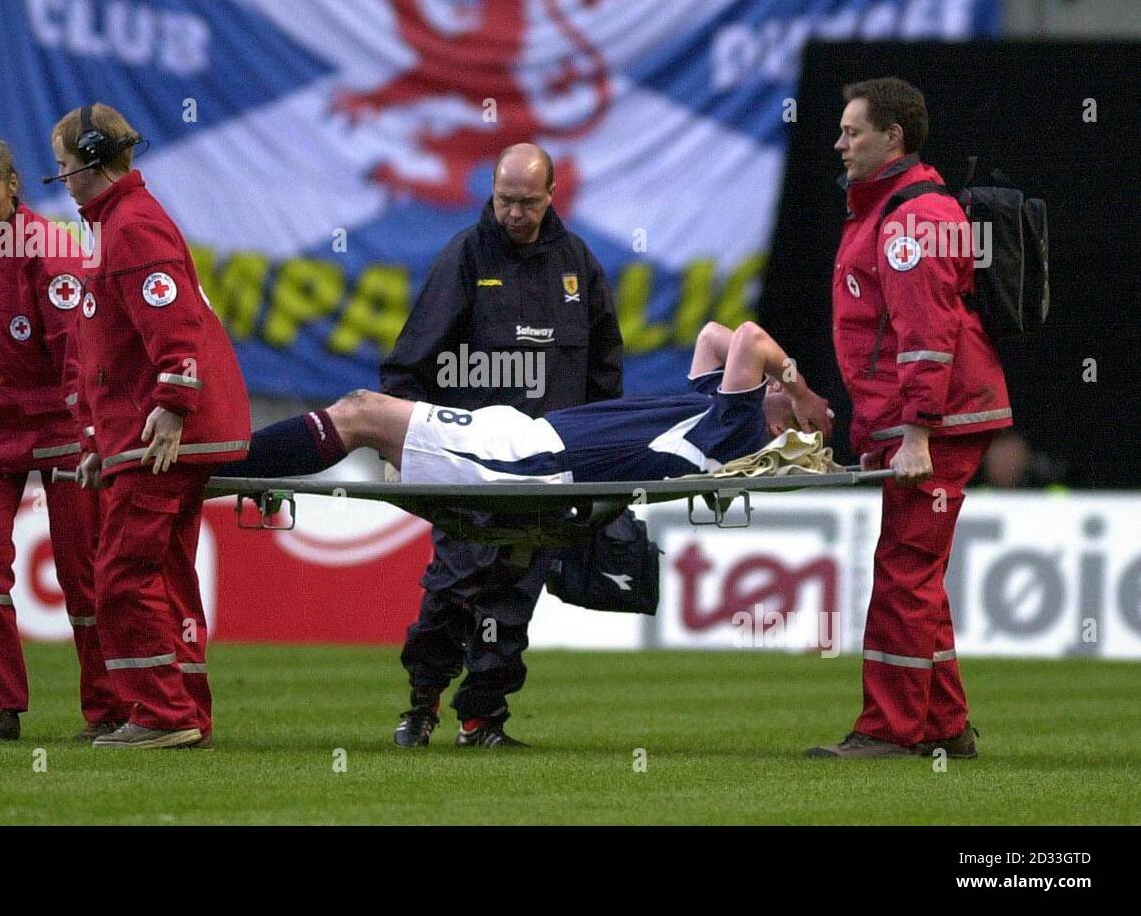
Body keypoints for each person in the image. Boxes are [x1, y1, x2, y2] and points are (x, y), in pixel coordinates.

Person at [376, 142, 624, 748]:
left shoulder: (578, 264)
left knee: (511, 602)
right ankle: (421, 706)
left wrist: (599, 452)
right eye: (504, 200)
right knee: (451, 590)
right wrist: (403, 450)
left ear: (550, 195)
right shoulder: (465, 255)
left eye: (526, 202)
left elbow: (605, 370)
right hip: (471, 466)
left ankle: (483, 719)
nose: (514, 212)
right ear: (491, 192)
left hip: (546, 473)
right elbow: (408, 363)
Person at [807, 78, 1012, 760]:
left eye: (852, 130)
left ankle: (889, 731)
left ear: (892, 136)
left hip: (938, 422)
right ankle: (945, 724)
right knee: (916, 571)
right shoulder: (891, 208)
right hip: (927, 417)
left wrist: (917, 431)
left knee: (903, 572)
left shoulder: (910, 216)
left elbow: (927, 333)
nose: (839, 143)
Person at [51, 104, 251, 750]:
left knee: (121, 573)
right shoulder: (120, 225)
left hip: (159, 434)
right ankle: (186, 709)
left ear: (87, 162)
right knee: (164, 573)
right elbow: (109, 347)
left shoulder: (131, 227)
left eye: (62, 167)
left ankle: (160, 716)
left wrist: (173, 400)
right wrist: (92, 441)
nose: (61, 178)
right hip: (142, 430)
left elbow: (172, 324)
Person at [0, 136, 125, 741]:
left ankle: (107, 707)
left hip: (59, 428)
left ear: (13, 186)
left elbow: (74, 346)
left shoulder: (49, 250)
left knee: (81, 573)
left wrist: (89, 428)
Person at [217, 319, 830, 493]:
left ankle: (211, 474)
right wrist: (793, 389)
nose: (777, 376)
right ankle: (213, 476)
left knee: (358, 412)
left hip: (535, 461)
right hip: (529, 439)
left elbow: (750, 338)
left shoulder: (737, 428)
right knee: (362, 416)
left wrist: (800, 390)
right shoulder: (715, 408)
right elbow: (715, 337)